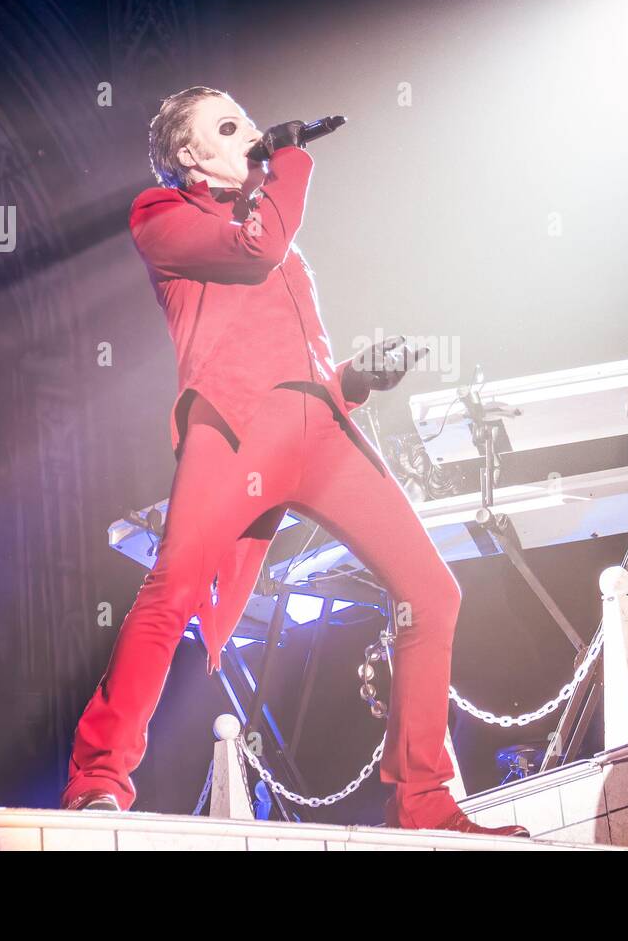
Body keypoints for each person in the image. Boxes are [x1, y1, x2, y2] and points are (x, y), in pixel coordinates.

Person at [61, 86, 529, 835]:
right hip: (238, 431)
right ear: (190, 154)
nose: (250, 132)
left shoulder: (266, 220)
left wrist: (357, 376)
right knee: (172, 588)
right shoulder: (161, 216)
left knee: (431, 593)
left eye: (249, 120)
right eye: (229, 125)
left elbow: (296, 354)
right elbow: (257, 254)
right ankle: (99, 779)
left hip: (322, 431)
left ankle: (424, 798)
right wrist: (290, 161)